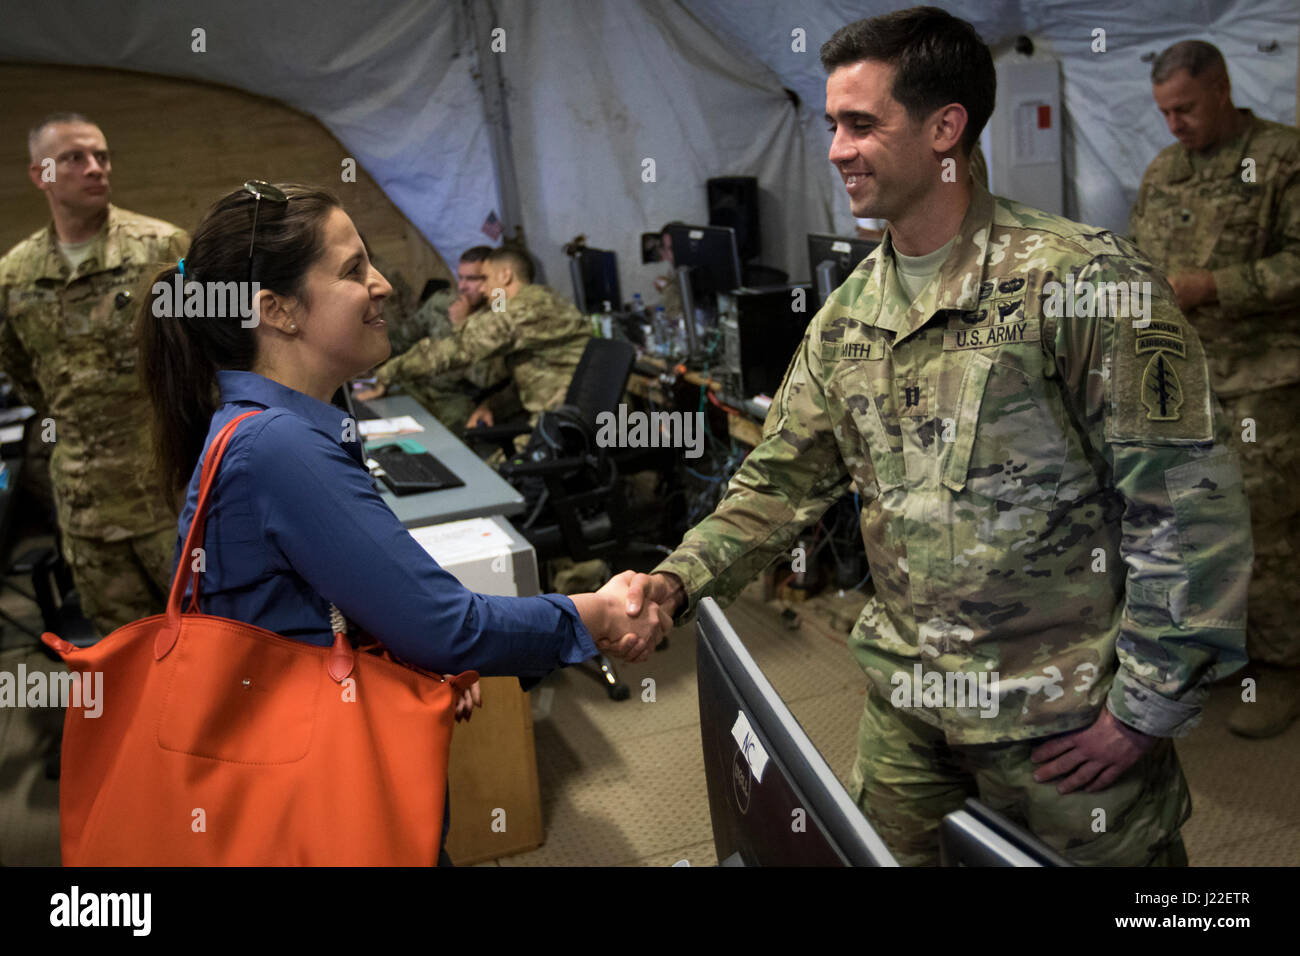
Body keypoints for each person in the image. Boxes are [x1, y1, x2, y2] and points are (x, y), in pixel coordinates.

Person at [614, 7, 1251, 866]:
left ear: (946, 128)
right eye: (831, 124)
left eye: (861, 124)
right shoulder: (849, 316)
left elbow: (1184, 505)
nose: (835, 148)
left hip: (1061, 723)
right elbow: (776, 485)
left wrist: (1144, 710)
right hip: (909, 715)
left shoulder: (1084, 281)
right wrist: (673, 583)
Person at [137, 183, 671, 862]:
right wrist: (593, 613)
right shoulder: (279, 448)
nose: (383, 285)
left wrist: (410, 656)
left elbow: (324, 615)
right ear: (276, 310)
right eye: (353, 269)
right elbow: (450, 628)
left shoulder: (270, 432)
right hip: (322, 818)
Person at [1128, 40, 1300, 739]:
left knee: (1269, 534)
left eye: (1186, 108)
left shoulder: (1283, 158)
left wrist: (1215, 287)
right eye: (1165, 112)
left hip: (1264, 383)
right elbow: (1137, 257)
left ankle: (1283, 669)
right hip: (1183, 386)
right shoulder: (1165, 169)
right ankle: (1228, 658)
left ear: (1223, 88)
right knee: (1201, 532)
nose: (1175, 125)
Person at [0, 112, 188, 634]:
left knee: (210, 642)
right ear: (41, 175)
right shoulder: (14, 275)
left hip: (168, 498)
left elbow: (210, 357)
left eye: (101, 156)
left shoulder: (161, 248)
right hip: (86, 512)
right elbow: (25, 373)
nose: (95, 168)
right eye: (74, 158)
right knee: (124, 658)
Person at [362, 246, 589, 440]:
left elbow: (461, 348)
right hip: (561, 418)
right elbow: (529, 374)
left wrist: (386, 375)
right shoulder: (536, 300)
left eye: (486, 278)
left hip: (562, 427)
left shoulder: (522, 310)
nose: (481, 287)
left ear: (505, 276)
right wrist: (492, 406)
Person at [381, 245, 516, 432]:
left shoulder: (500, 312)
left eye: (472, 279)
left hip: (458, 398)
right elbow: (403, 339)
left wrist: (462, 324)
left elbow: (487, 378)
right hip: (419, 387)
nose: (462, 286)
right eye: (460, 277)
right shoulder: (443, 301)